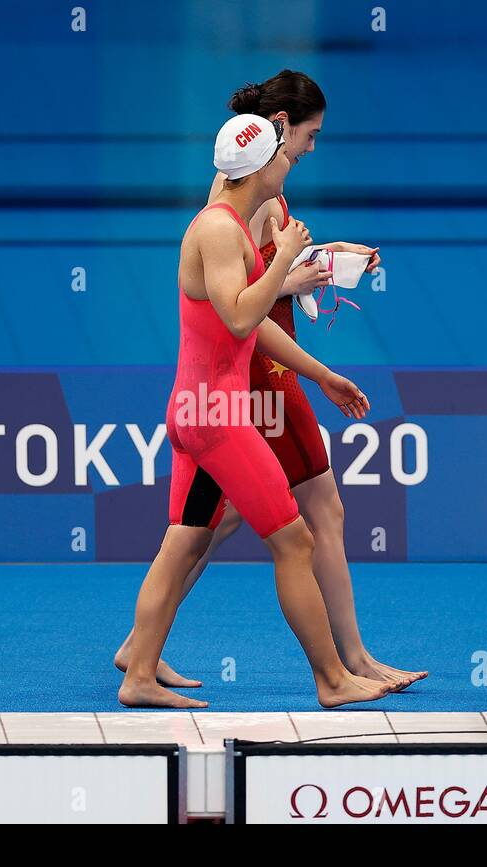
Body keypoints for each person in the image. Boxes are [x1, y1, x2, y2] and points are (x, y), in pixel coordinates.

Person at [116, 71, 428, 691]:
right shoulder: (233, 213)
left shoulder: (238, 197)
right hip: (239, 388)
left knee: (201, 528)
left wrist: (324, 257)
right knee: (297, 533)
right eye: (309, 136)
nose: (311, 149)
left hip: (210, 396)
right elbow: (240, 307)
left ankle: (141, 651)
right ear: (277, 134)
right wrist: (296, 288)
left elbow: (239, 285)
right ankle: (339, 672)